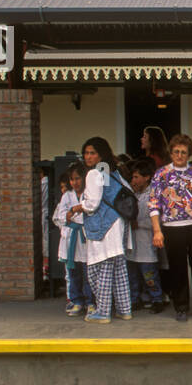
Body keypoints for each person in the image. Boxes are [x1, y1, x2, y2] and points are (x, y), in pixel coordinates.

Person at [149, 134, 192, 322]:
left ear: (189, 153)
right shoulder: (161, 174)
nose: (179, 155)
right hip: (172, 227)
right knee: (177, 269)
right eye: (176, 151)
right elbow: (153, 204)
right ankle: (181, 306)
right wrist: (157, 230)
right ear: (171, 152)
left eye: (183, 152)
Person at [73, 136, 133, 325]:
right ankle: (124, 310)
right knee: (119, 270)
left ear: (100, 155)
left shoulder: (93, 174)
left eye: (92, 153)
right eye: (86, 152)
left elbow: (92, 204)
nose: (88, 156)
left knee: (100, 270)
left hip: (103, 228)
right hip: (118, 225)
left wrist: (77, 207)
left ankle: (103, 312)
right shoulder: (113, 172)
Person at [127, 158, 166, 313]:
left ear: (146, 177)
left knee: (150, 276)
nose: (133, 180)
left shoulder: (153, 195)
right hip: (133, 245)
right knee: (133, 277)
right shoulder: (132, 195)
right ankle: (135, 299)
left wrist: (139, 224)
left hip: (146, 243)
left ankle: (157, 298)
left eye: (136, 177)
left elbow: (156, 220)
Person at [54, 163, 91, 317]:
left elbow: (89, 212)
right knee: (73, 271)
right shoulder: (67, 196)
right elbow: (62, 216)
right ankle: (77, 301)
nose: (75, 182)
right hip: (71, 238)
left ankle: (90, 302)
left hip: (86, 237)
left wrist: (73, 215)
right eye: (72, 179)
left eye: (78, 178)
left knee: (88, 273)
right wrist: (70, 216)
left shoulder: (89, 194)